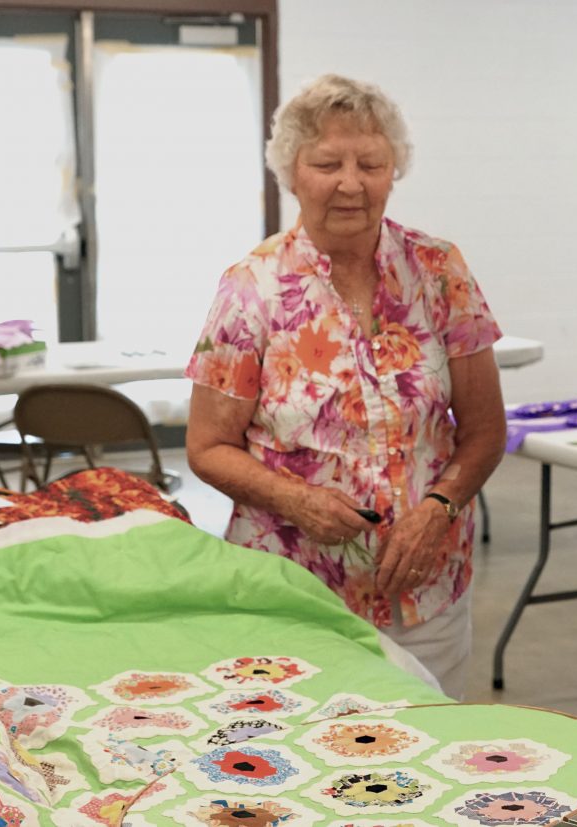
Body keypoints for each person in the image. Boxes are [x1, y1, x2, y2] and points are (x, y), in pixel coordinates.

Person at [184, 74, 506, 700]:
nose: (351, 182)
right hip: (295, 599)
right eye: (327, 163)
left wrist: (440, 507)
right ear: (292, 173)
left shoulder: (440, 271)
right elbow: (207, 447)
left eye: (372, 163)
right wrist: (296, 501)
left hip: (426, 594)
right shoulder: (251, 289)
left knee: (430, 758)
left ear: (394, 171)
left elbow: (487, 431)